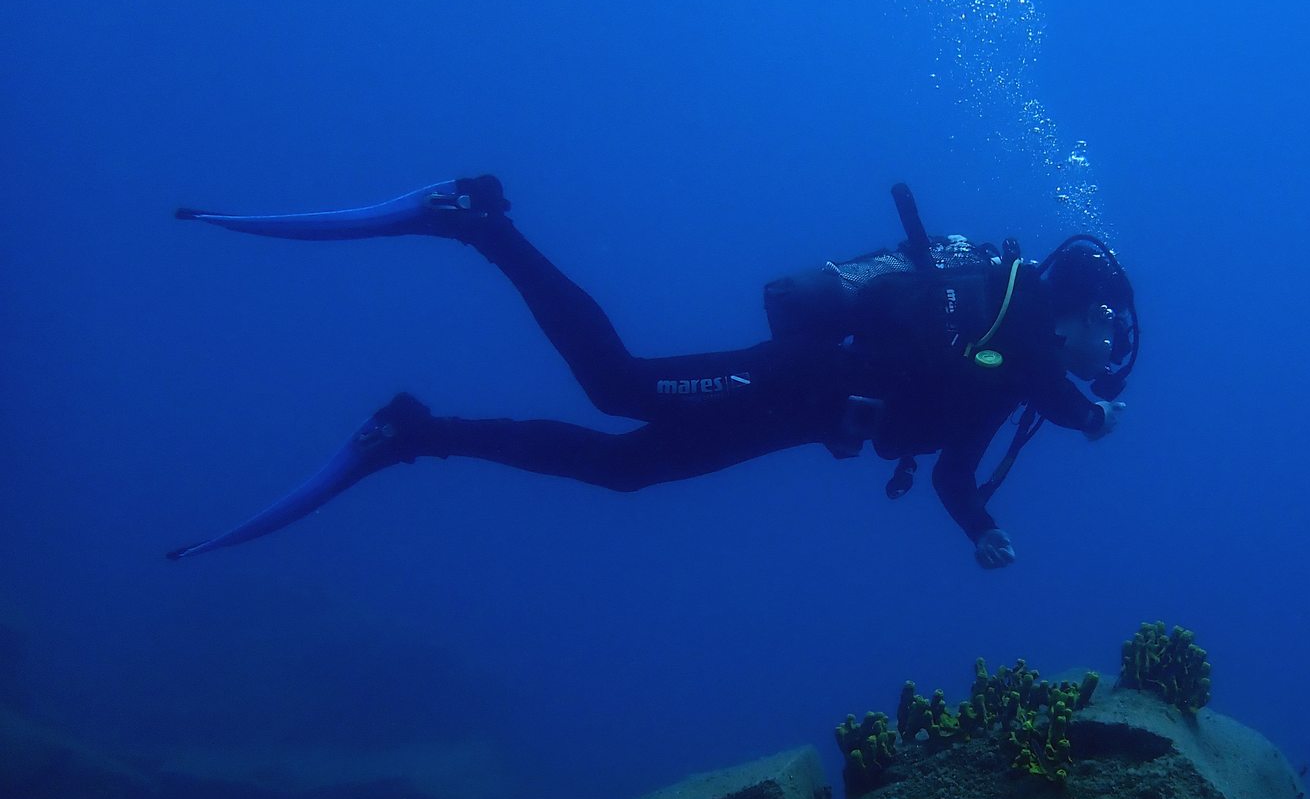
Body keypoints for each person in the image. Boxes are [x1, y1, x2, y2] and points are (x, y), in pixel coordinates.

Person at [167, 176, 1138, 569]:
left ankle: (412, 433)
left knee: (622, 471)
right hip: (800, 377)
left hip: (799, 419)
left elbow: (955, 469)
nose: (1103, 358)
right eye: (1105, 332)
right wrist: (1084, 414)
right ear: (1078, 305)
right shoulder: (1006, 302)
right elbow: (969, 343)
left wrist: (982, 530)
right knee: (618, 386)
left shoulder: (1016, 377)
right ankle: (478, 221)